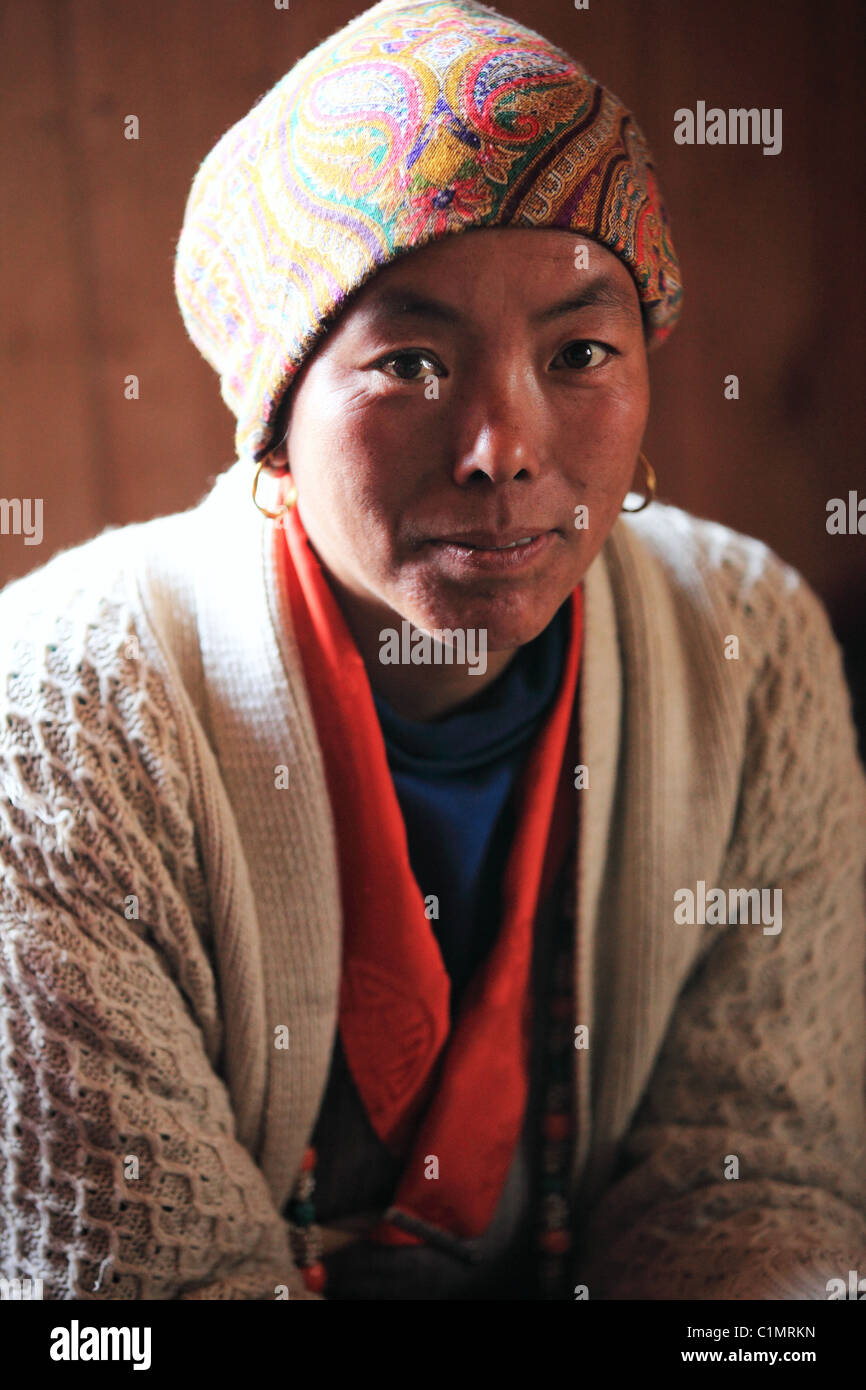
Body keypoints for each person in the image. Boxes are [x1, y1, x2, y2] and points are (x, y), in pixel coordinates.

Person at [1, 0, 864, 1301]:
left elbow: (754, 1174)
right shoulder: (58, 718)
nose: (501, 448)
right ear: (274, 419)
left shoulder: (746, 648)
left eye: (579, 350)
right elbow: (128, 1296)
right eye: (408, 362)